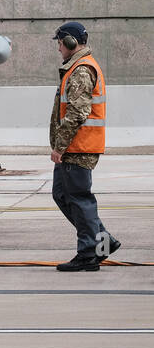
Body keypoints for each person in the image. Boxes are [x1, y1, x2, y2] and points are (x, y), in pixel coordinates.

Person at [49, 21, 120, 271]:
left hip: (78, 146)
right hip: (75, 147)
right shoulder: (75, 67)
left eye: (59, 43)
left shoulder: (81, 69)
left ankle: (89, 253)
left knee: (79, 199)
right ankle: (104, 242)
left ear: (69, 42)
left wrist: (60, 146)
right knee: (62, 194)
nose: (58, 48)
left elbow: (78, 113)